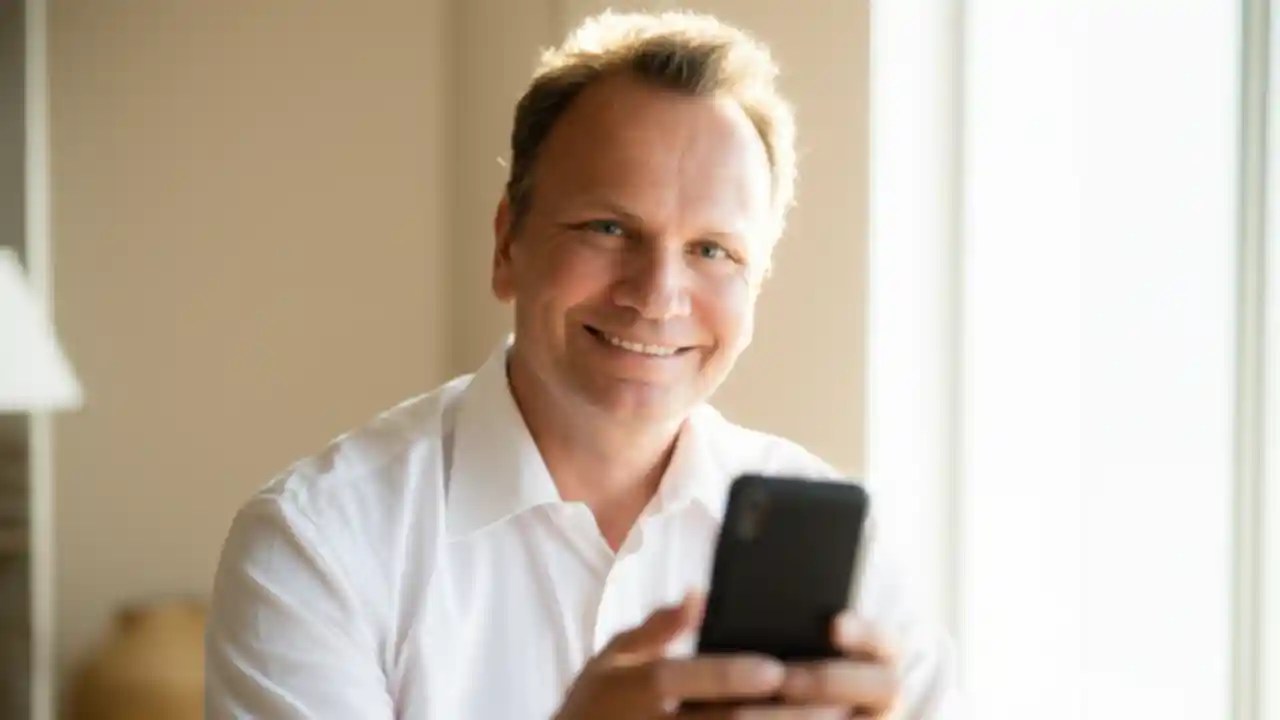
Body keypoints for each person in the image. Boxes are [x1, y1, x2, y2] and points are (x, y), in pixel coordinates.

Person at [205, 10, 961, 719]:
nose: (657, 294)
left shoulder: (858, 564)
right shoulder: (317, 546)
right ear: (508, 245)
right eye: (608, 227)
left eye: (711, 250)